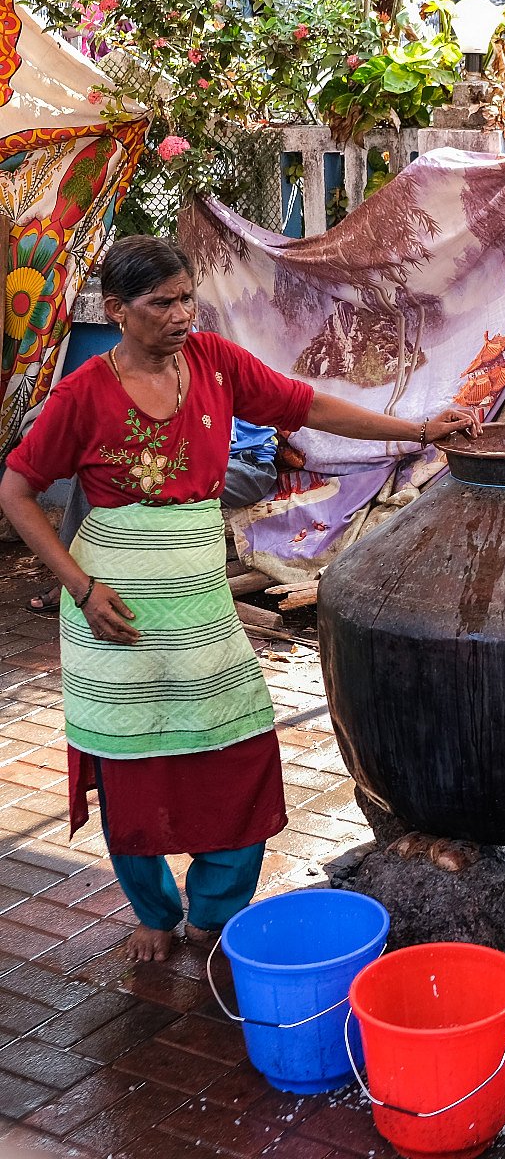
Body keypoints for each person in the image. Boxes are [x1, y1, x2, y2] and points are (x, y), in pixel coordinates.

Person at [0, 235, 478, 964]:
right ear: (117, 311)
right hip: (114, 615)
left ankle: (214, 913)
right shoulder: (82, 394)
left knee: (238, 757)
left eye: (187, 297)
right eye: (162, 302)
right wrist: (82, 586)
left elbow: (306, 403)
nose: (182, 313)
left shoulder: (216, 366)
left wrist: (416, 430)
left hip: (198, 607)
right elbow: (16, 490)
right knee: (134, 774)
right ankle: (155, 916)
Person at [27, 416, 278, 612]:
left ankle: (123, 584)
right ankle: (72, 575)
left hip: (245, 469)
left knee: (143, 472)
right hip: (197, 461)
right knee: (93, 470)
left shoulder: (222, 376)